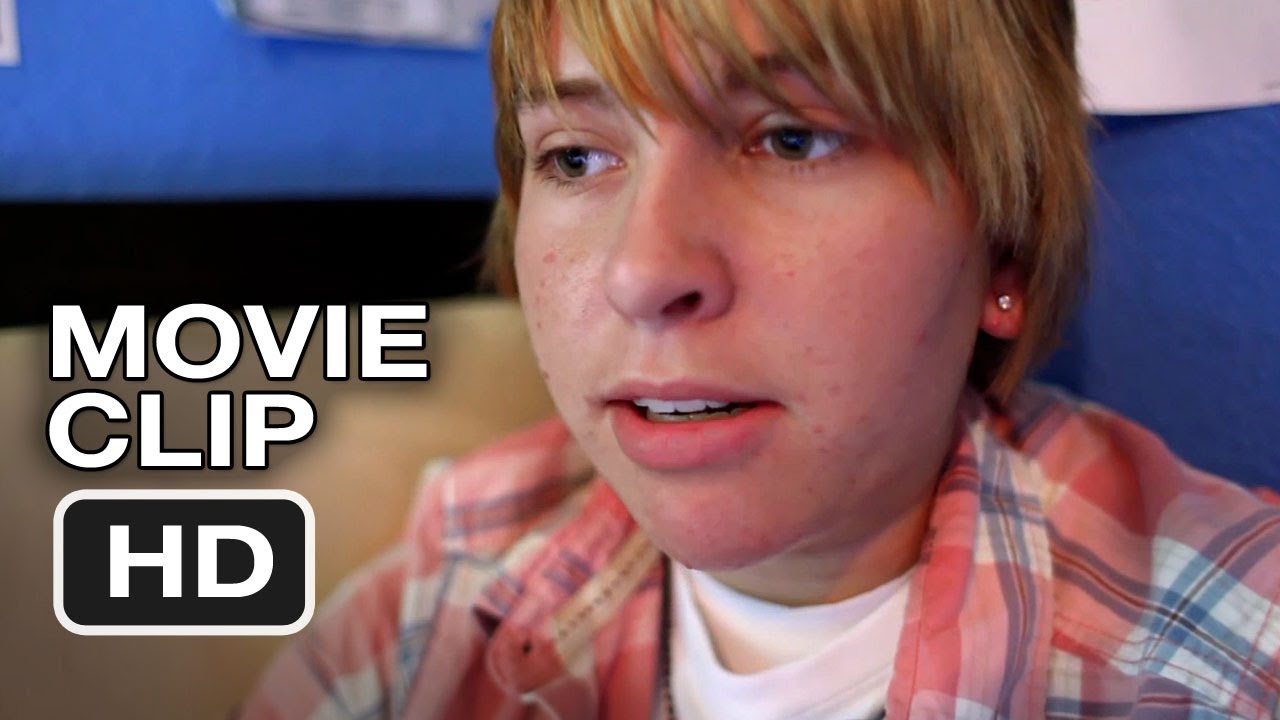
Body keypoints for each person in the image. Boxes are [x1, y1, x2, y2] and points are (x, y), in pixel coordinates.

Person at [239, 0, 1280, 717]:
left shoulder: (1229, 669)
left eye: (790, 139)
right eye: (577, 156)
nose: (642, 271)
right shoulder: (444, 598)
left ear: (1003, 248)